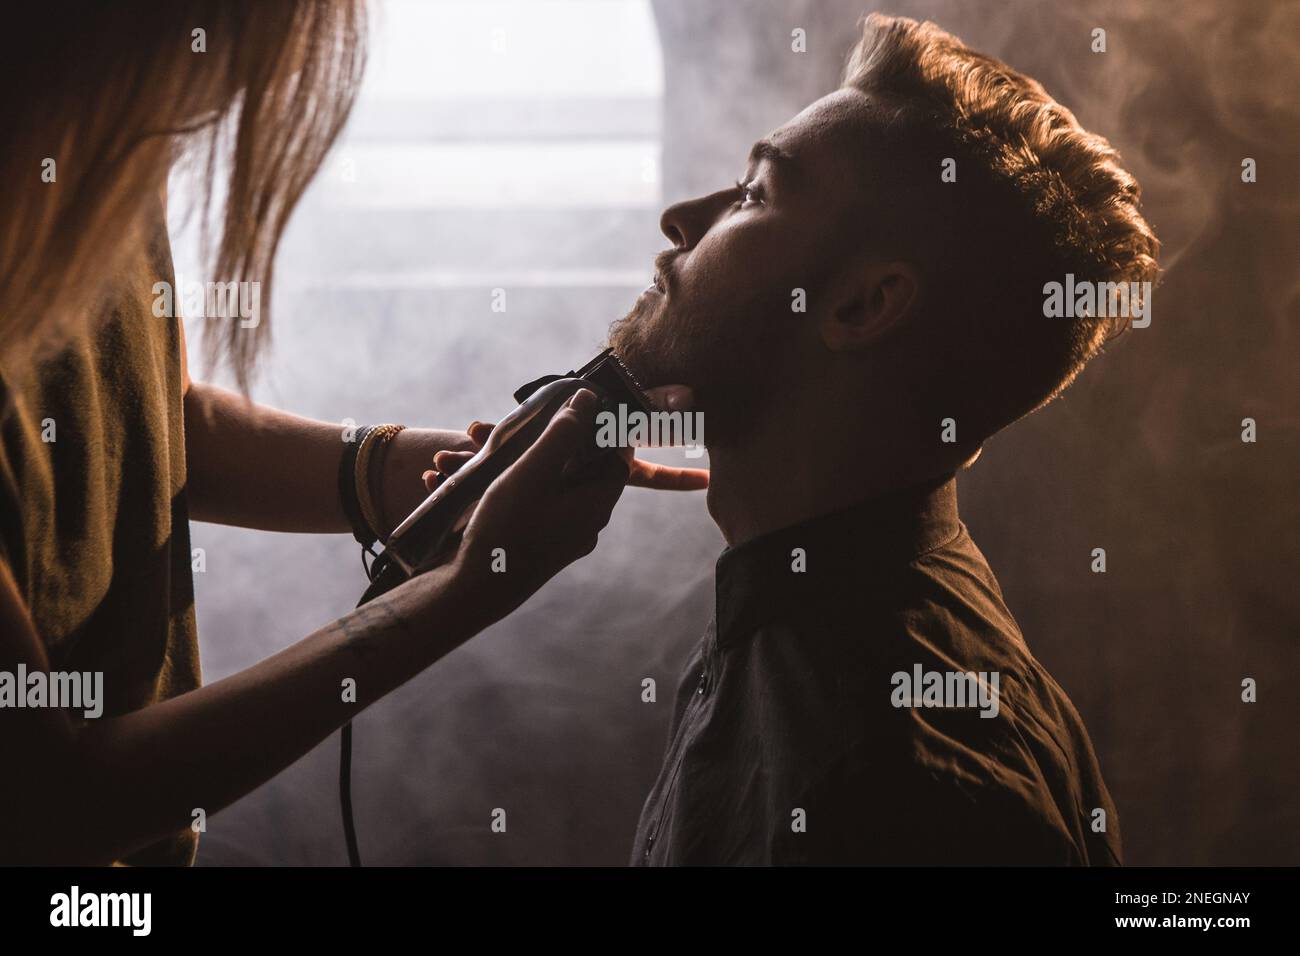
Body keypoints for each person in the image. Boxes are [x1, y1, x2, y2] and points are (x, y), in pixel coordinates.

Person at [0, 1, 704, 865]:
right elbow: (50, 801)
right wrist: (461, 593)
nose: (232, 90)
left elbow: (153, 415)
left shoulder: (98, 144)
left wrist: (395, 471)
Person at [605, 13, 1159, 864]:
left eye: (754, 195)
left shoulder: (906, 785)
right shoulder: (790, 607)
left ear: (863, 306)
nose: (681, 219)